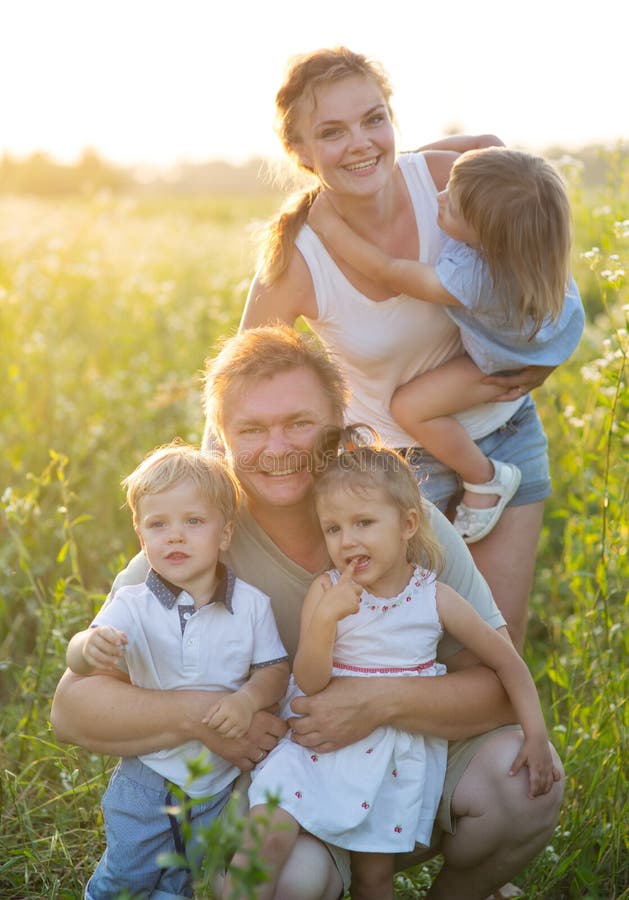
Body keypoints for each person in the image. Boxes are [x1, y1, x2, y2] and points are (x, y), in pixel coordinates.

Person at [51, 325, 564, 900]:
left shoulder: (397, 518)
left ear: (339, 417)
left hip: (399, 763)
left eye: (298, 422)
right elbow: (72, 709)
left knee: (523, 788)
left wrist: (378, 703)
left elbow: (500, 681)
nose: (277, 448)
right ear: (220, 438)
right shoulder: (200, 534)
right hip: (282, 789)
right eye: (251, 429)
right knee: (288, 882)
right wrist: (207, 715)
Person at [239, 46, 563, 651]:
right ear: (301, 153)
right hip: (396, 475)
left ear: (392, 119)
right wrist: (214, 497)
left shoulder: (445, 181)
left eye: (373, 119)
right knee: (404, 651)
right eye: (332, 132)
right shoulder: (297, 257)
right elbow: (241, 382)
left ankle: (508, 749)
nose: (361, 143)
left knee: (497, 647)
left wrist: (541, 354)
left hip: (506, 437)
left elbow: (534, 244)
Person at [226, 427, 560, 900]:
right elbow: (310, 679)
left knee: (374, 879)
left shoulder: (433, 597)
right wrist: (323, 622)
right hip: (311, 753)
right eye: (334, 528)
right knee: (267, 836)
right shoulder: (326, 591)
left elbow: (507, 663)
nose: (347, 540)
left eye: (364, 523)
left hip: (386, 760)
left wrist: (537, 732)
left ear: (407, 524)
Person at [307, 147, 585, 544]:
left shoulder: (474, 277)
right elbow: (487, 141)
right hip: (556, 331)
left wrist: (329, 228)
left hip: (505, 364)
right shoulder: (535, 244)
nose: (438, 197)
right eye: (448, 185)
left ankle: (485, 478)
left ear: (488, 237)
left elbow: (389, 272)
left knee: (410, 406)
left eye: (451, 206)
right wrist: (394, 165)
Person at [65, 442, 289, 899]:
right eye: (159, 524)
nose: (175, 536)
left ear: (225, 534)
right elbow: (77, 658)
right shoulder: (133, 603)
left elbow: (274, 671)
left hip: (216, 782)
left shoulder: (250, 605)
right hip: (147, 775)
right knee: (126, 878)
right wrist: (91, 647)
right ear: (140, 534)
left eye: (193, 522)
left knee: (184, 881)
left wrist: (246, 699)